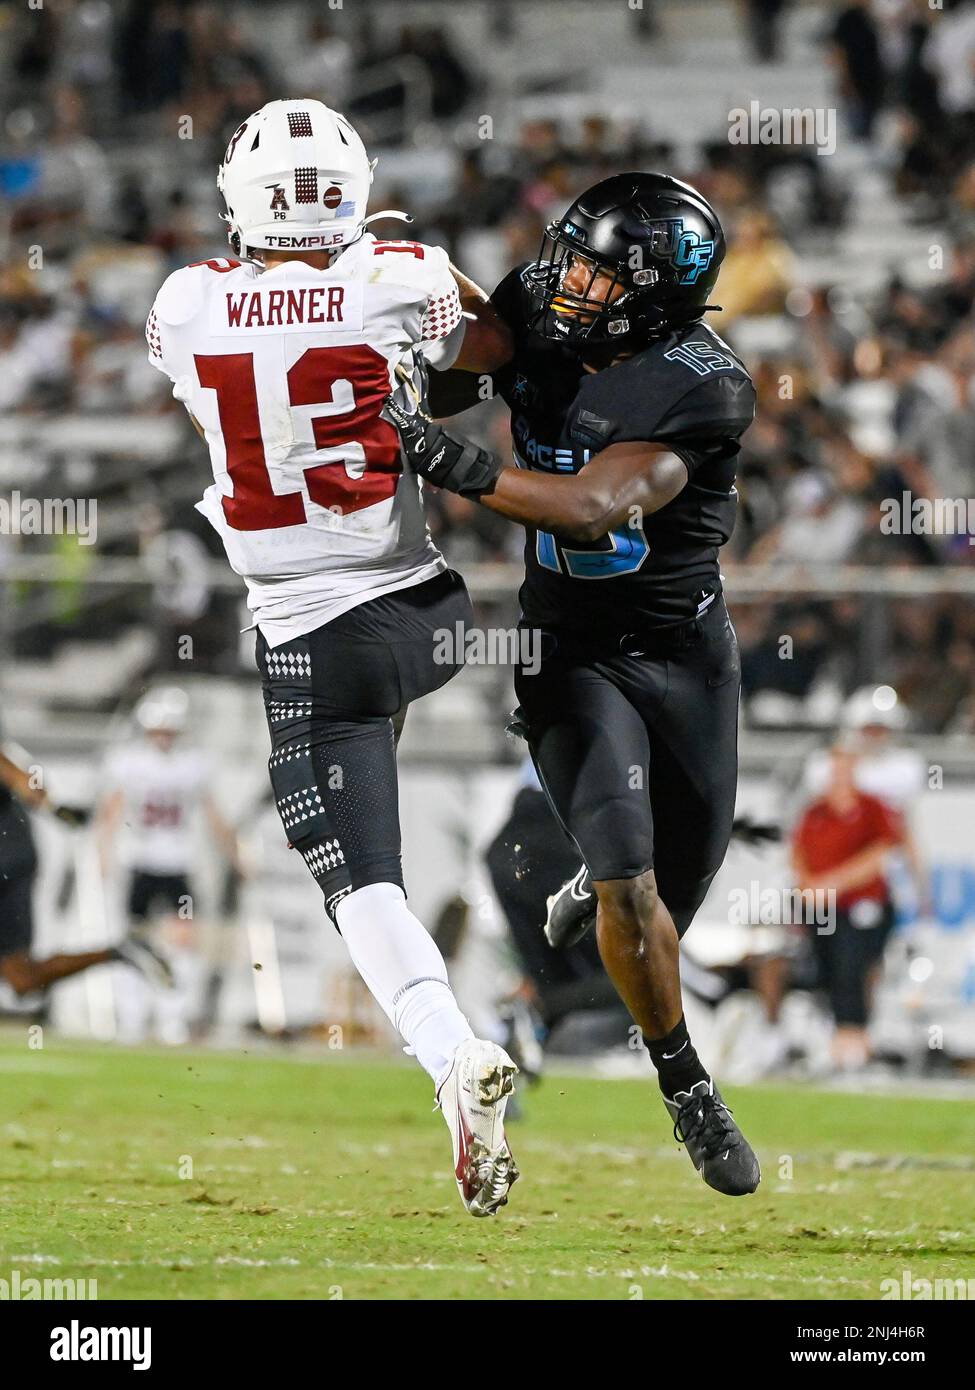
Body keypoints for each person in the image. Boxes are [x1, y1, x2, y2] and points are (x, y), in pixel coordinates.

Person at [145, 100, 517, 1217]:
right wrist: (426, 282)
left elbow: (243, 363)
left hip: (310, 630)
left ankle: (451, 1052)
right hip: (430, 612)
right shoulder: (399, 276)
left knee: (357, 880)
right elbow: (496, 353)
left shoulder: (183, 303)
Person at [384, 172, 761, 1195]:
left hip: (683, 657)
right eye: (572, 254)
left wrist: (448, 462)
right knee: (632, 892)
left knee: (677, 889)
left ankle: (591, 888)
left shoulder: (703, 381)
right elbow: (469, 359)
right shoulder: (543, 304)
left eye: (598, 270)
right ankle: (686, 1083)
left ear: (655, 293)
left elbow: (595, 505)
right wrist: (389, 286)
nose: (569, 278)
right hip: (567, 654)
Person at [95, 686, 240, 1044]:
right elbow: (111, 812)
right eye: (158, 731)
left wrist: (235, 853)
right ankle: (132, 1017)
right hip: (140, 859)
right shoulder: (130, 762)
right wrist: (104, 852)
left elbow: (212, 813)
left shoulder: (192, 765)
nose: (163, 738)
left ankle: (171, 1017)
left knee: (182, 941)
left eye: (168, 731)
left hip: (177, 860)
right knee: (136, 940)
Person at [0, 715, 167, 1000]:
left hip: (8, 858)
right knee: (22, 979)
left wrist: (45, 801)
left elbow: (21, 778)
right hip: (16, 855)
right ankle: (118, 952)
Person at [791, 743, 907, 1070]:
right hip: (822, 908)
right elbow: (798, 854)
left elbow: (880, 854)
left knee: (852, 965)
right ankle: (837, 1038)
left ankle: (855, 1038)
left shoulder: (873, 808)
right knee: (826, 966)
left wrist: (833, 883)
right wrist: (810, 886)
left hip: (862, 904)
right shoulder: (815, 812)